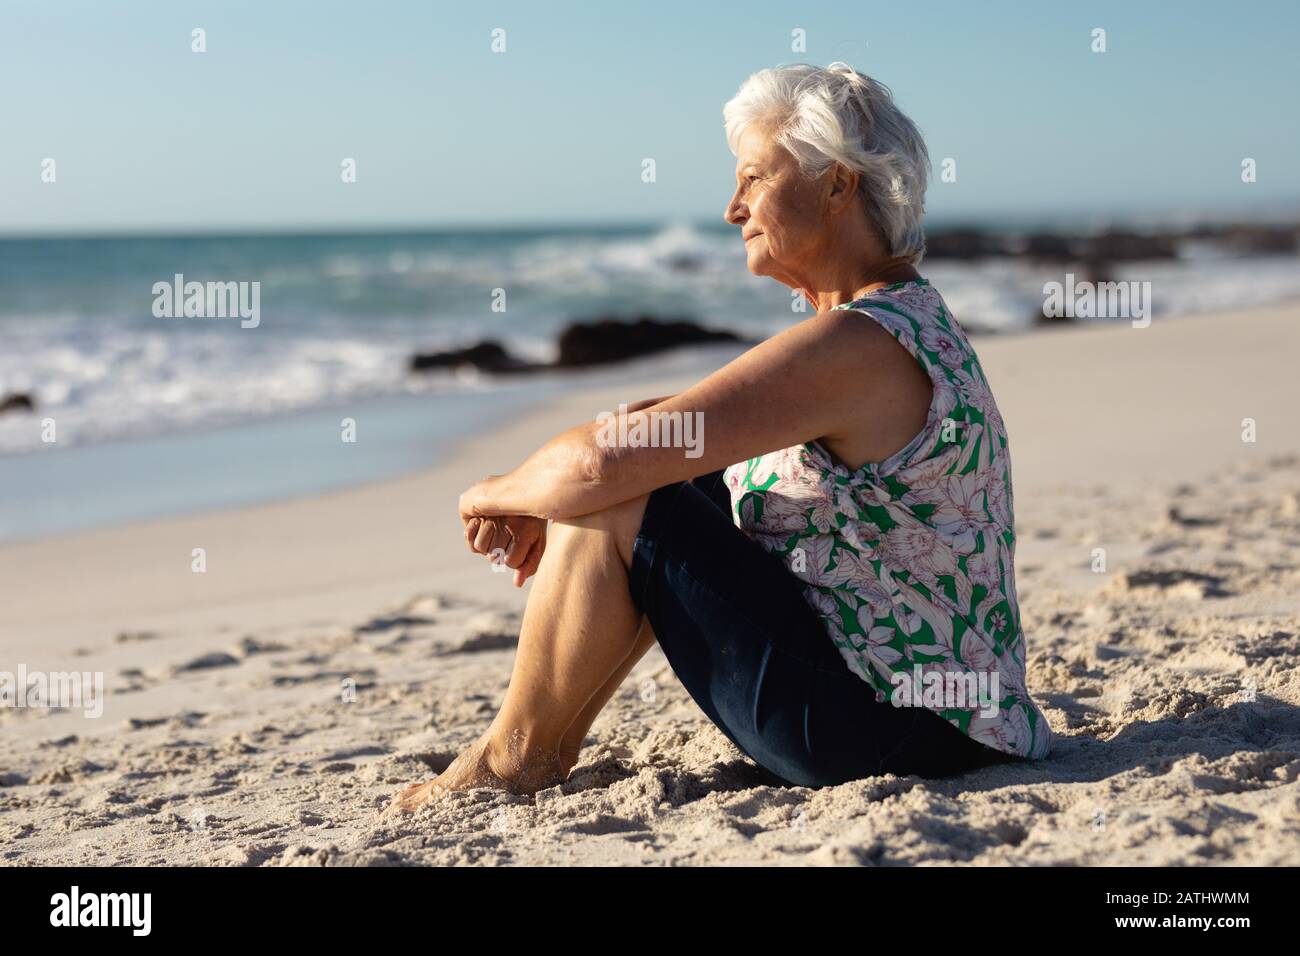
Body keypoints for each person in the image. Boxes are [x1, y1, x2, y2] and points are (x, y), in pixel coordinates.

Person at [383, 62, 1052, 817]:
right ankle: (536, 746)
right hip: (949, 718)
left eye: (754, 178)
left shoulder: (859, 342)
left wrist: (489, 493)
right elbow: (655, 424)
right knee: (652, 474)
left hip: (890, 730)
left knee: (625, 486)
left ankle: (514, 758)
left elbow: (608, 458)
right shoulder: (901, 323)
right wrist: (561, 487)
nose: (734, 209)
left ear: (837, 185)